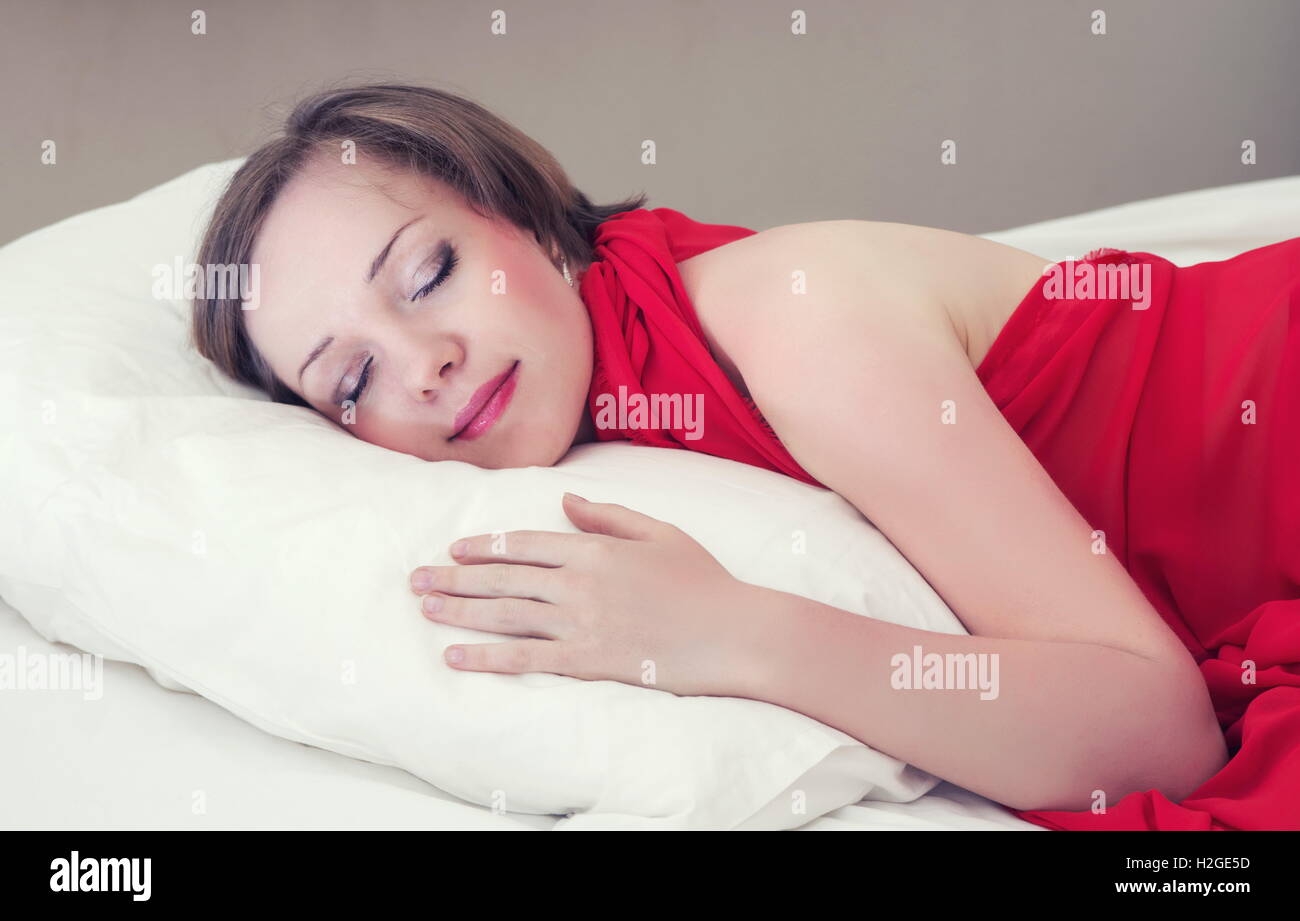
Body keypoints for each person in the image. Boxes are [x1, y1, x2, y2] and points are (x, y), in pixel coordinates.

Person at [192, 83, 1300, 830]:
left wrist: (733, 633)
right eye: (350, 382)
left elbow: (1159, 738)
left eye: (428, 273)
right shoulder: (612, 409)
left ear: (520, 216)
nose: (421, 366)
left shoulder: (792, 325)